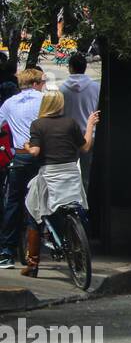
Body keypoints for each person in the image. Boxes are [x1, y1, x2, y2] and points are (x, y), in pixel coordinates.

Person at [22, 91, 99, 277]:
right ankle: (80, 256)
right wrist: (90, 125)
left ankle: (32, 264)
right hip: (72, 174)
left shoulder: (38, 125)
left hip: (49, 176)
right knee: (75, 211)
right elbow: (85, 146)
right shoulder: (70, 123)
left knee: (33, 212)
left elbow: (35, 151)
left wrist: (26, 146)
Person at [0, 68, 47, 268]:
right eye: (43, 82)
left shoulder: (9, 103)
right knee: (45, 199)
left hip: (20, 156)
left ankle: (6, 253)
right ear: (36, 83)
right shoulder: (44, 99)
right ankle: (45, 243)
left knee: (14, 202)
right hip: (42, 156)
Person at [59, 51, 100, 195]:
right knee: (87, 175)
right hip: (91, 136)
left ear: (70, 67)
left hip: (68, 137)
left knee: (67, 174)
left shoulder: (62, 89)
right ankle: (86, 205)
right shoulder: (96, 87)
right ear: (85, 67)